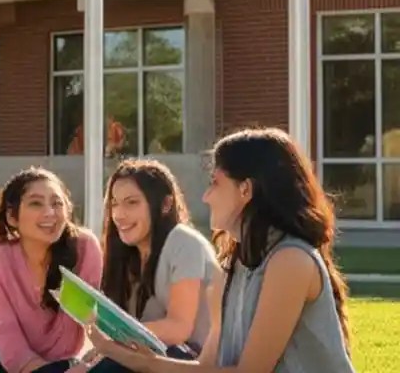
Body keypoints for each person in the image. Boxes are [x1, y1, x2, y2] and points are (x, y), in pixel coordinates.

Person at [88, 128, 355, 373]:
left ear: (245, 189)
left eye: (215, 183)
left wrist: (141, 362)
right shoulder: (234, 262)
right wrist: (129, 355)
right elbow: (206, 367)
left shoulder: (290, 261)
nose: (206, 197)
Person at [86, 159, 218, 371]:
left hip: (194, 362)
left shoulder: (184, 242)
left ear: (165, 204)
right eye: (114, 203)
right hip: (158, 356)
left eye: (132, 202)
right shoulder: (130, 257)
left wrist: (113, 343)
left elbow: (179, 329)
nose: (119, 214)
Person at [0, 167, 102, 373]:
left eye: (57, 203)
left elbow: (94, 322)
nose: (49, 213)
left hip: (67, 363)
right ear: (12, 217)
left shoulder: (85, 248)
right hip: (15, 364)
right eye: (36, 203)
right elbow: (8, 337)